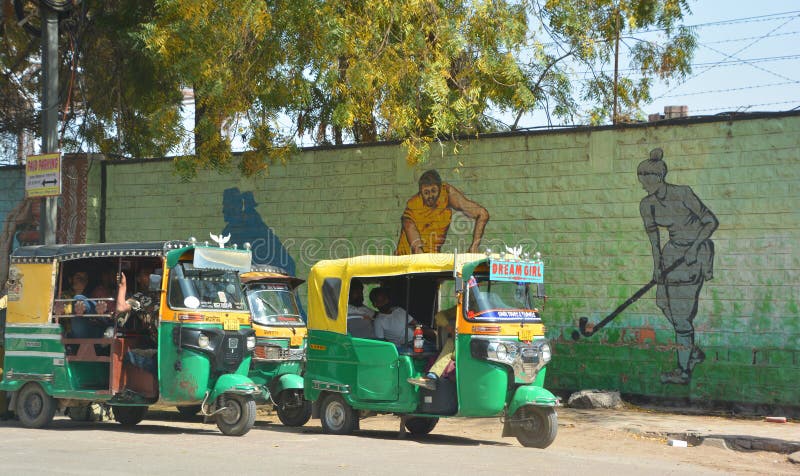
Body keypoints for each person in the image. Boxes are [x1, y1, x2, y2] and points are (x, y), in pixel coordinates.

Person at [638, 148, 718, 385]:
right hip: (672, 254)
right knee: (663, 302)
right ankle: (692, 351)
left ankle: (683, 371)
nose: (642, 185)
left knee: (682, 317)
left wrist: (694, 247)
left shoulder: (682, 193)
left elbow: (710, 221)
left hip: (695, 254)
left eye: (645, 180)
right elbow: (654, 241)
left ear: (658, 177)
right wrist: (657, 267)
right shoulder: (647, 205)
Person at [396, 169, 490, 255]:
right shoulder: (413, 206)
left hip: (433, 257)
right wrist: (420, 256)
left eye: (434, 191)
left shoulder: (447, 194)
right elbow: (410, 231)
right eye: (426, 192)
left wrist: (474, 246)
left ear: (440, 189)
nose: (430, 196)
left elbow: (482, 214)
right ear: (421, 192)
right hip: (407, 260)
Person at [407, 305, 457, 390]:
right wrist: (450, 329)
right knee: (451, 342)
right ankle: (431, 378)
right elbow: (439, 316)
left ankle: (432, 377)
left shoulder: (484, 312)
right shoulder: (463, 308)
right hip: (460, 346)